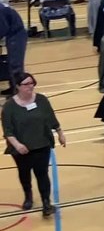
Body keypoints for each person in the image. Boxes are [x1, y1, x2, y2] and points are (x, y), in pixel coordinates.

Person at [2, 73, 65, 215]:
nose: (30, 86)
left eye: (32, 83)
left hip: (42, 144)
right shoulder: (9, 106)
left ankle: (46, 202)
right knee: (24, 173)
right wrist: (17, 145)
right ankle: (28, 196)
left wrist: (60, 133)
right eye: (26, 84)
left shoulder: (41, 100)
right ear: (18, 86)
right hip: (21, 148)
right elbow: (8, 130)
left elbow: (51, 118)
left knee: (42, 174)